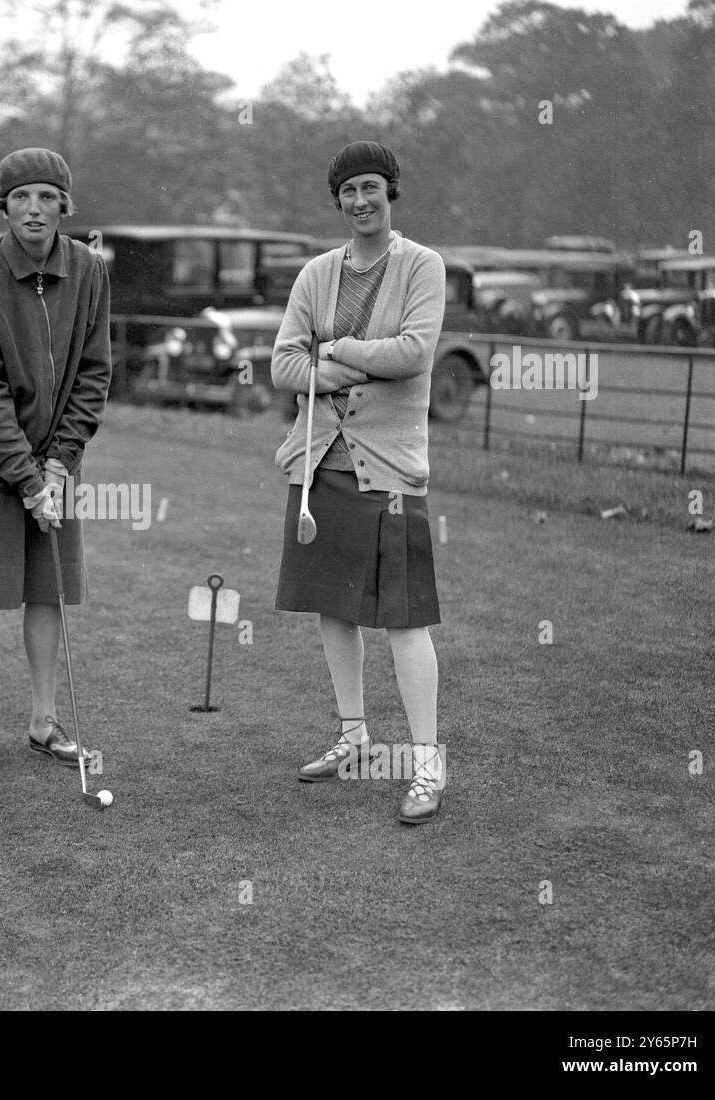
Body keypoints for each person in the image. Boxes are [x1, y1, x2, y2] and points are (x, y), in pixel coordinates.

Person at [270, 141, 447, 824]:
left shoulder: (422, 265)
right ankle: (353, 736)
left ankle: (428, 763)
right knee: (332, 607)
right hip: (319, 466)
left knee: (404, 618)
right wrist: (336, 367)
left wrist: (335, 352)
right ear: (338, 200)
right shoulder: (318, 274)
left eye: (371, 187)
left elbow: (414, 353)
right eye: (348, 191)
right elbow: (285, 365)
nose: (360, 201)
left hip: (391, 468)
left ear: (390, 190)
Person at [0, 148, 111, 776]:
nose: (34, 209)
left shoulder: (90, 271)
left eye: (46, 196)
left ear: (64, 204)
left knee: (49, 594)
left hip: (58, 467)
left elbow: (93, 372)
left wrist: (60, 463)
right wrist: (25, 476)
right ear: (4, 207)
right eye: (20, 197)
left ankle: (44, 722)